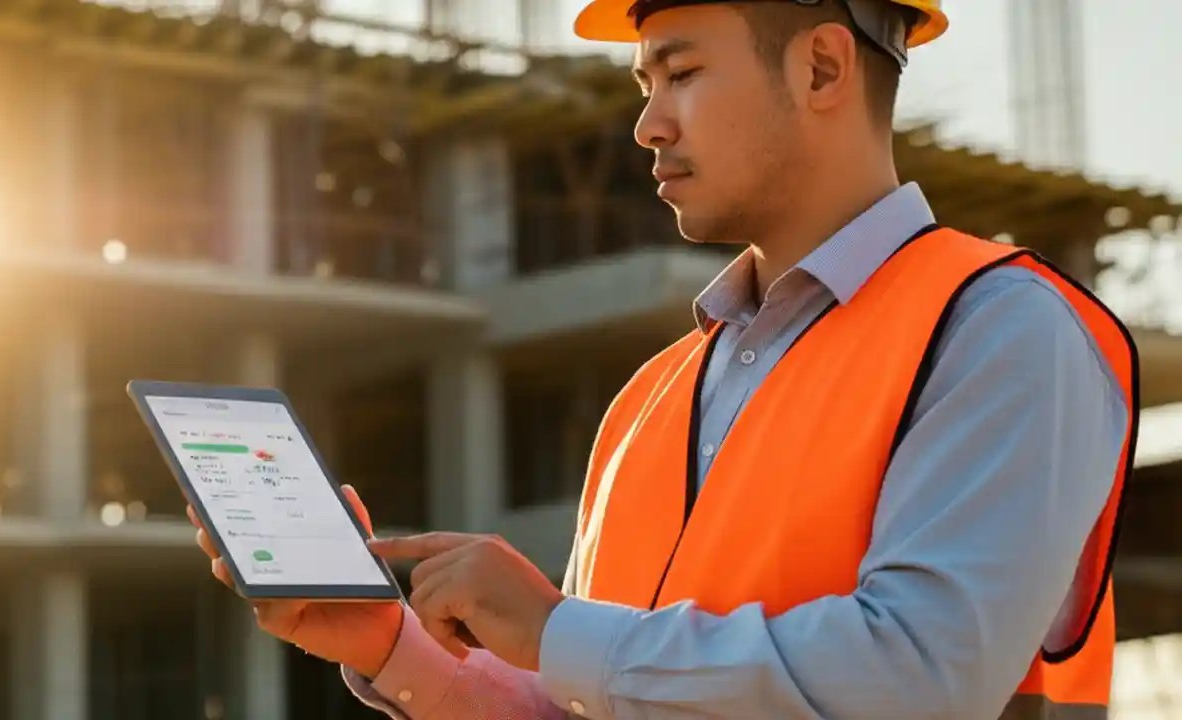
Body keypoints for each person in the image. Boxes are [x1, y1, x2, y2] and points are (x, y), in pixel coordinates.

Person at [190, 1, 1139, 717]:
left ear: (819, 68)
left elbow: (921, 675)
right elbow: (603, 699)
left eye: (680, 73)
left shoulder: (1000, 332)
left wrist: (555, 629)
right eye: (645, 86)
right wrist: (399, 648)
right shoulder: (653, 397)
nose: (648, 125)